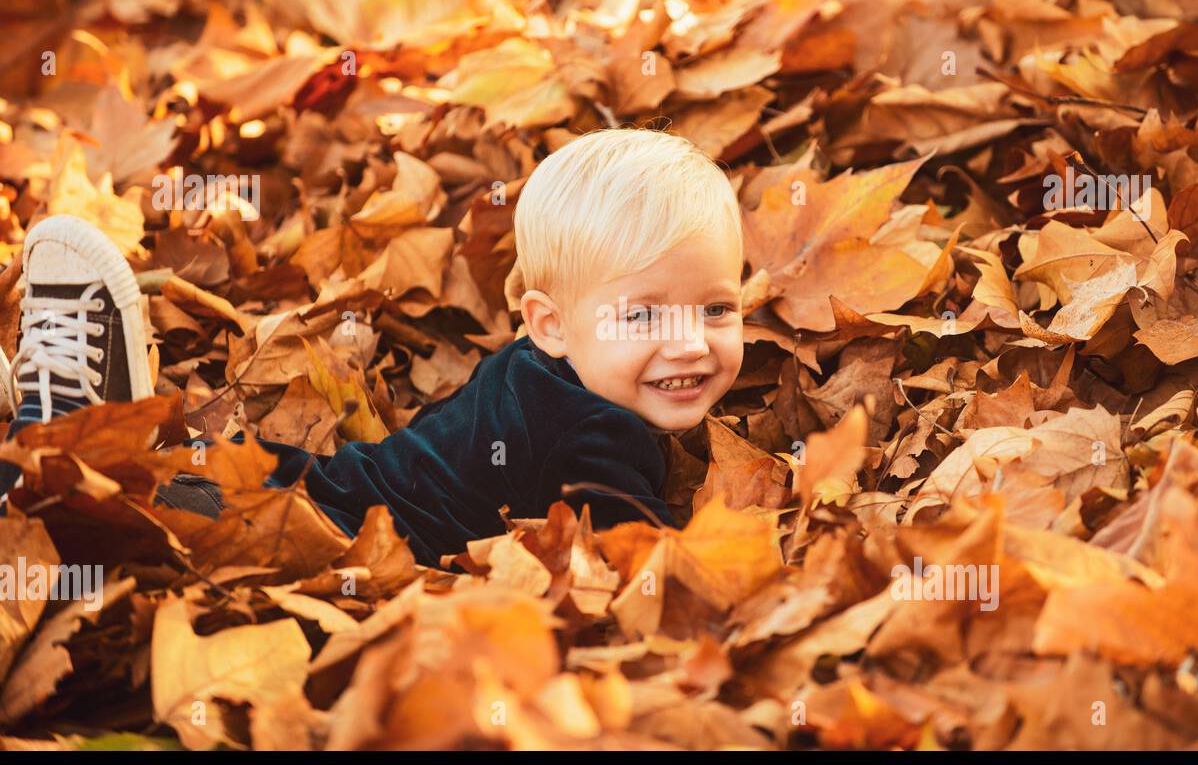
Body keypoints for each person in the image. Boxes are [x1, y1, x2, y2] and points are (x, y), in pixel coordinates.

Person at [0, 127, 746, 566]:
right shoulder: (601, 432)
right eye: (643, 318)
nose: (689, 344)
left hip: (351, 486)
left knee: (226, 488)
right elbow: (631, 564)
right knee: (201, 512)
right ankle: (64, 445)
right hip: (350, 532)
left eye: (716, 307)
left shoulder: (546, 368)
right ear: (548, 322)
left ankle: (64, 431)